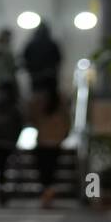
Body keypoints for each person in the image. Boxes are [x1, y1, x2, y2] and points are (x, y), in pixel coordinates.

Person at [28, 75, 70, 208]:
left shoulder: (39, 99)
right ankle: (48, 193)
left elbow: (31, 116)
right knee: (52, 169)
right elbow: (67, 118)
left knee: (43, 169)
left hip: (42, 139)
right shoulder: (61, 99)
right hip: (57, 139)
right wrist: (64, 132)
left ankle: (46, 193)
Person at [0, 80, 23, 206]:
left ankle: (2, 190)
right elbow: (19, 124)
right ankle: (7, 191)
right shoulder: (14, 105)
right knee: (7, 167)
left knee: (0, 168)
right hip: (8, 141)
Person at [20, 20, 62, 91]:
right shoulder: (52, 44)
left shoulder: (31, 44)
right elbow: (58, 58)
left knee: (38, 96)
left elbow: (24, 58)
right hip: (49, 75)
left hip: (36, 75)